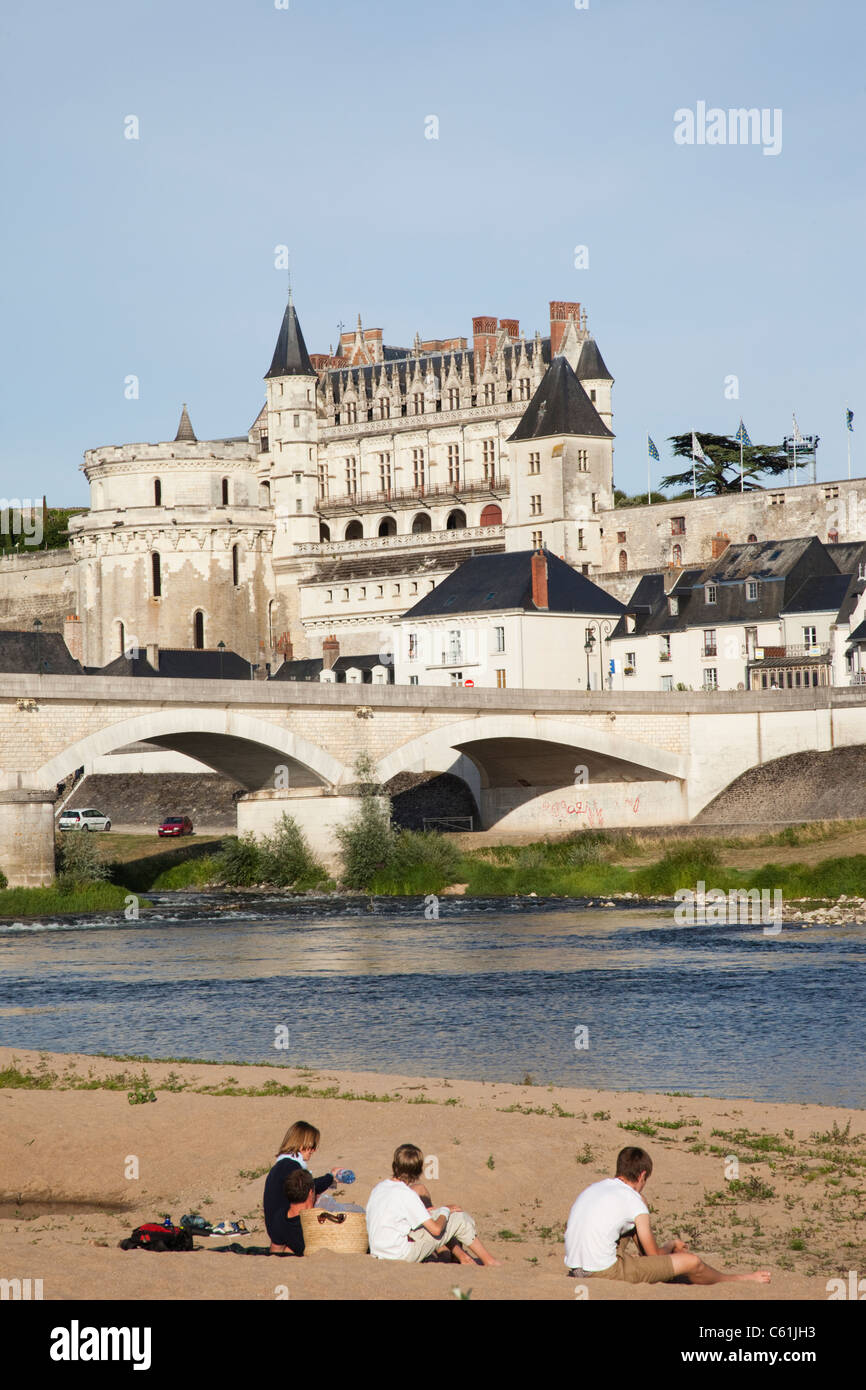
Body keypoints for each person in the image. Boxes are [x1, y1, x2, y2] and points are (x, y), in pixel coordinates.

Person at [564, 1146, 771, 1286]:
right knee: (692, 1262)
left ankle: (637, 1261)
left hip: (575, 1267)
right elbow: (655, 1256)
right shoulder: (635, 1201)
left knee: (628, 1225)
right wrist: (671, 1246)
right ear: (642, 1175)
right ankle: (737, 1279)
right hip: (602, 1272)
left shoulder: (597, 1187)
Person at [366, 1144, 500, 1266]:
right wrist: (445, 1210)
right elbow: (436, 1230)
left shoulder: (379, 1188)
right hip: (400, 1254)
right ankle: (488, 1260)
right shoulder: (406, 1194)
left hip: (378, 1251)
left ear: (394, 1166)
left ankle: (460, 1256)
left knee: (434, 1215)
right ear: (418, 1172)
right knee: (459, 1218)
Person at [263, 1120, 339, 1255]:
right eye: (312, 1145)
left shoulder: (281, 1165)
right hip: (285, 1225)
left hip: (276, 1225)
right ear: (301, 1143)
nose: (314, 1150)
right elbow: (305, 1187)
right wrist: (331, 1177)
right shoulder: (290, 1166)